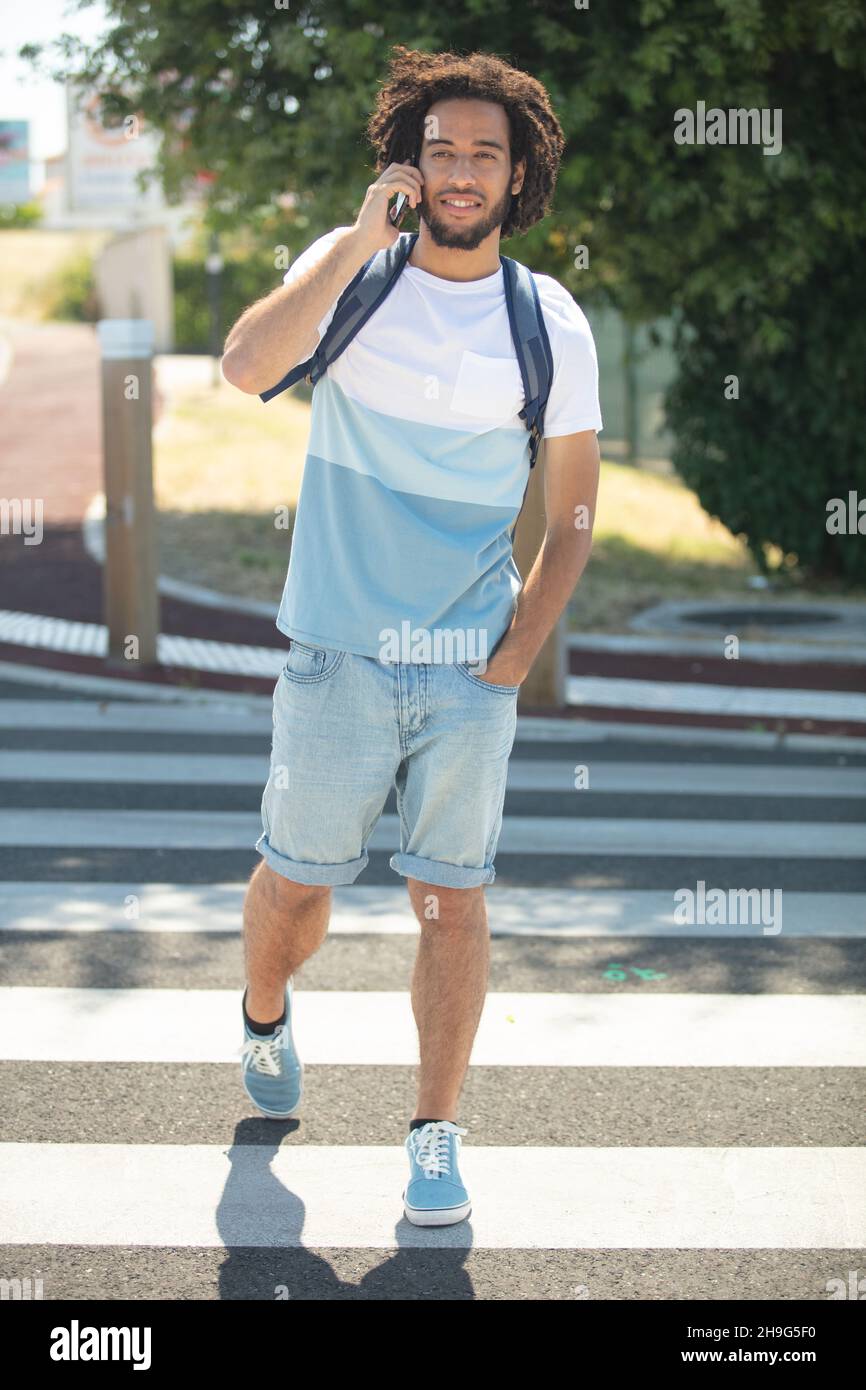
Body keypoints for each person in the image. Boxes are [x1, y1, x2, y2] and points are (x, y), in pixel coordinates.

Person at [221, 45, 602, 1227]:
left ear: (517, 174)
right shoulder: (352, 279)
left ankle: (433, 1132)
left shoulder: (547, 321)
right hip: (334, 649)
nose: (459, 169)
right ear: (408, 160)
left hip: (466, 670)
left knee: (452, 900)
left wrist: (522, 639)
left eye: (484, 152)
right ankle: (264, 1011)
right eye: (439, 148)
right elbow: (244, 366)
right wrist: (350, 237)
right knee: (293, 890)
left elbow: (576, 501)